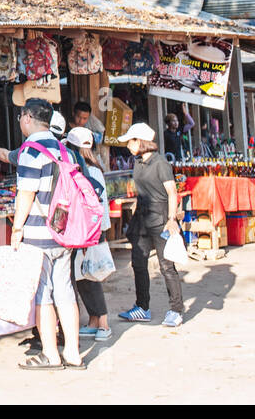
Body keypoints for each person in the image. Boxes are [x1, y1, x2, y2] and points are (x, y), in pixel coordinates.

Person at [11, 98, 84, 370]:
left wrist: (17, 229)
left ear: (27, 117)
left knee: (43, 294)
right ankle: (73, 354)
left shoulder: (31, 151)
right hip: (65, 231)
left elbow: (27, 194)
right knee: (65, 291)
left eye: (20, 117)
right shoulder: (66, 151)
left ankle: (51, 355)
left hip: (38, 233)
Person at [118, 123, 184, 327]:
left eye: (131, 140)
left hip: (161, 217)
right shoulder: (138, 162)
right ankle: (142, 307)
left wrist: (172, 219)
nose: (128, 145)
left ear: (140, 141)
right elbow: (141, 190)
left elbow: (172, 192)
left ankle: (176, 310)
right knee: (138, 262)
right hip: (142, 218)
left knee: (166, 266)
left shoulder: (160, 163)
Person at [65, 127, 111, 342]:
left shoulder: (90, 171)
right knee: (82, 276)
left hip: (90, 231)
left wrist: (97, 232)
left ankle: (103, 322)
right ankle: (93, 320)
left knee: (91, 277)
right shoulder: (92, 169)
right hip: (86, 230)